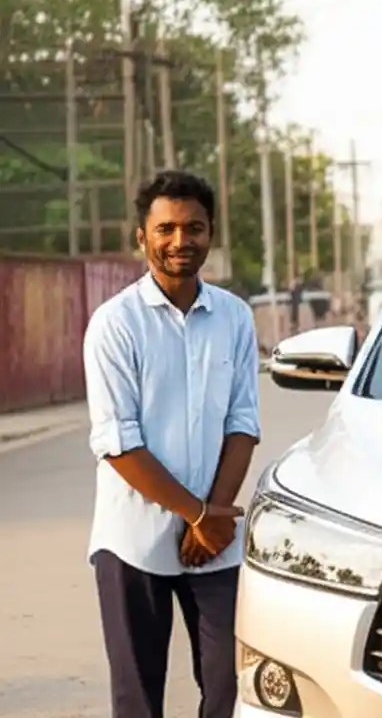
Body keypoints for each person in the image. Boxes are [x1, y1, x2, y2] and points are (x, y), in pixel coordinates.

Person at [83, 170, 261, 718]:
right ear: (142, 237)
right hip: (133, 541)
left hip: (215, 543)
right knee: (138, 697)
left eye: (194, 227)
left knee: (230, 683)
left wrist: (212, 521)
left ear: (211, 234)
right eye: (166, 228)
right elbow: (118, 443)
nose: (180, 240)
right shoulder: (115, 325)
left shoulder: (234, 317)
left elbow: (243, 421)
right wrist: (197, 512)